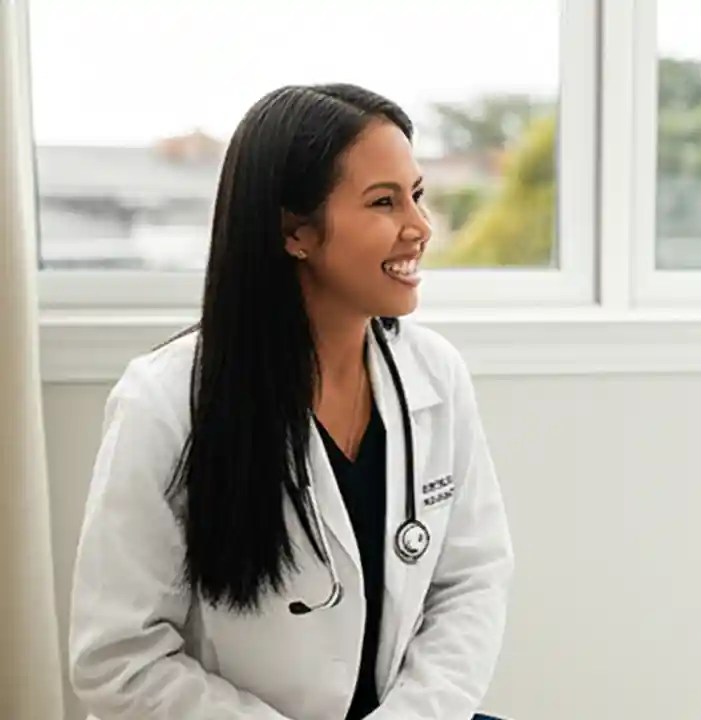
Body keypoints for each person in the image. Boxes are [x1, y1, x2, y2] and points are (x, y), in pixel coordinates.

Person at [67, 83, 514, 720]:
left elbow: (470, 582)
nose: (420, 228)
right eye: (384, 202)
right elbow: (121, 659)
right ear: (294, 230)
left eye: (415, 195)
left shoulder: (436, 376)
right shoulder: (165, 402)